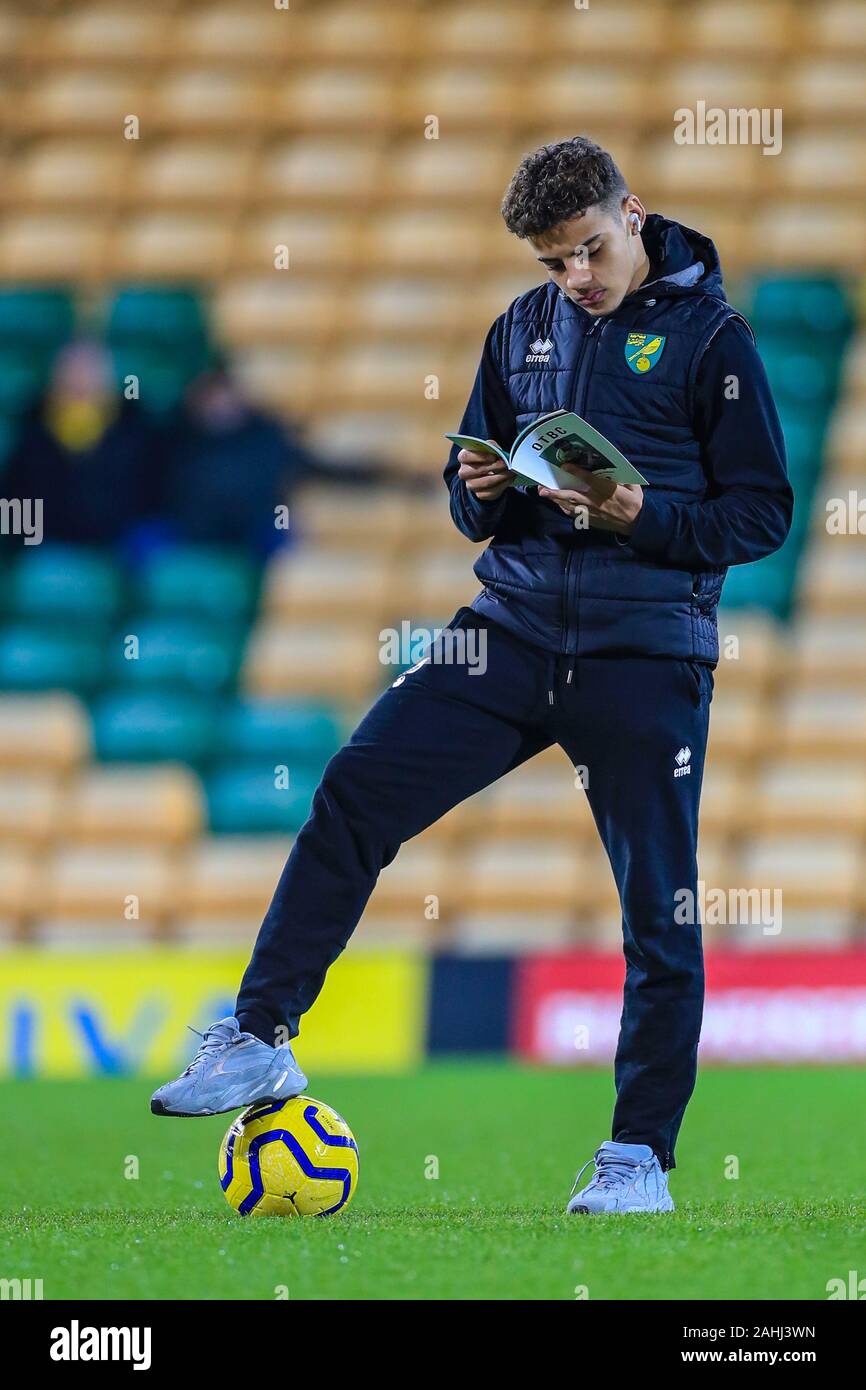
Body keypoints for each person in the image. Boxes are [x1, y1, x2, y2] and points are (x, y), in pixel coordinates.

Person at [150, 137, 793, 1215]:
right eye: (552, 263)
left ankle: (637, 1159)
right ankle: (258, 1035)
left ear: (630, 213)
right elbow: (475, 507)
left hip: (645, 651)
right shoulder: (520, 329)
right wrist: (480, 487)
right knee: (355, 788)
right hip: (508, 626)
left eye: (586, 251)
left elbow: (760, 513)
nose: (573, 279)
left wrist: (641, 514)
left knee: (657, 906)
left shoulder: (713, 340)